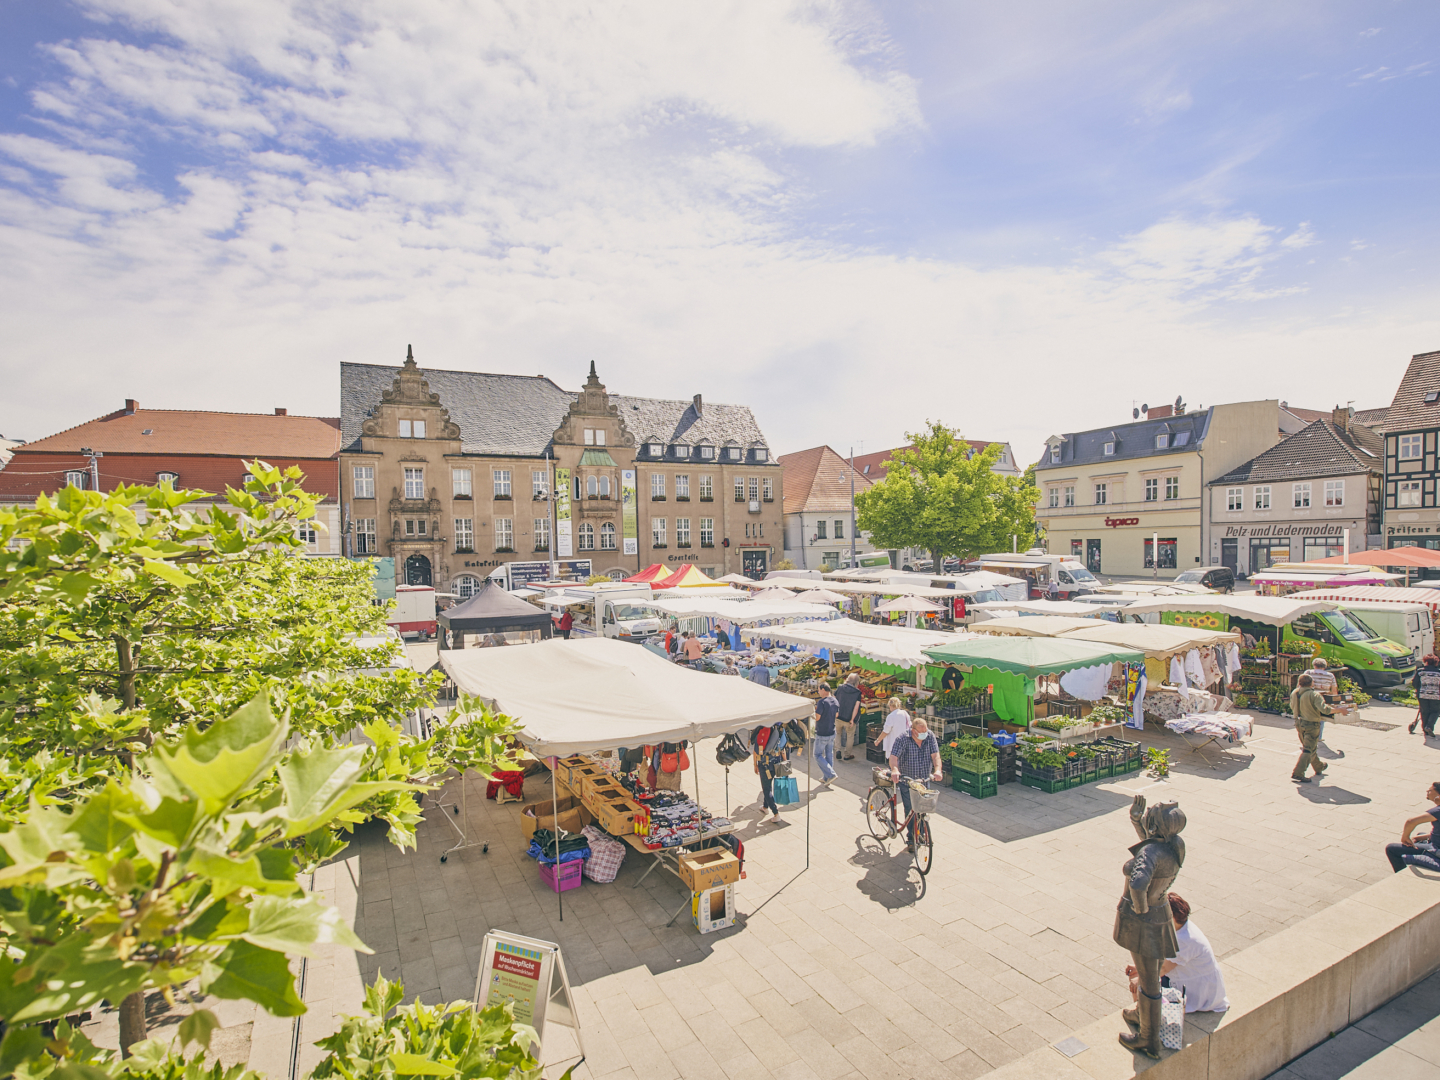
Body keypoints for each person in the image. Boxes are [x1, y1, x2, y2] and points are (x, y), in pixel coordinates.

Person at [1125, 894, 1228, 1015]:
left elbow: (1163, 968)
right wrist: (1139, 969)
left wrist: (1140, 979)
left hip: (1198, 993)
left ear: (1171, 917)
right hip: (1190, 980)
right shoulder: (1180, 927)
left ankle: (1142, 1018)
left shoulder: (1184, 940)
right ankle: (1141, 1014)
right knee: (1138, 977)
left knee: (1141, 986)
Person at [887, 716, 942, 852]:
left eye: (925, 731)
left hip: (923, 781)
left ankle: (921, 835)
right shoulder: (903, 738)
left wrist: (938, 770)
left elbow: (935, 756)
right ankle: (911, 838)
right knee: (910, 809)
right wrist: (895, 770)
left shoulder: (929, 736)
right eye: (920, 732)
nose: (924, 734)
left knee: (923, 808)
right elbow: (893, 757)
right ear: (913, 731)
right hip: (907, 781)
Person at [1289, 673, 1335, 784]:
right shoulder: (1314, 695)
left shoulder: (1294, 693)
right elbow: (1325, 710)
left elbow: (1291, 706)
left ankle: (1319, 767)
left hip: (1299, 723)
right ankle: (1298, 772)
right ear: (1311, 683)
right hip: (1311, 724)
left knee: (1310, 746)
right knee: (1308, 749)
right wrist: (1339, 710)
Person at [1385, 781, 1440, 872]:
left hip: (1436, 850)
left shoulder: (1438, 812)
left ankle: (1401, 875)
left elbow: (1411, 821)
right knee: (1420, 835)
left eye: (1430, 790)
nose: (1427, 791)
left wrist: (1405, 837)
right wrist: (1424, 836)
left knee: (1391, 849)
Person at [754, 726, 789, 824]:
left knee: (766, 789)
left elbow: (755, 751)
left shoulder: (761, 731)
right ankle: (765, 807)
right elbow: (782, 749)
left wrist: (755, 765)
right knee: (768, 785)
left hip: (764, 764)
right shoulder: (778, 731)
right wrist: (785, 761)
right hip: (776, 763)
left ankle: (776, 813)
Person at [813, 685, 839, 785]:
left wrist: (813, 714)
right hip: (831, 731)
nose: (818, 692)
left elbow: (817, 717)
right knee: (829, 754)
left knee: (817, 754)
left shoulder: (822, 702)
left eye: (819, 690)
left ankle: (831, 774)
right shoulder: (835, 701)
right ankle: (826, 778)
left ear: (823, 690)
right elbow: (836, 715)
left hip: (822, 732)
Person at [835, 672, 863, 761]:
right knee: (850, 736)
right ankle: (847, 755)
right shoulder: (857, 692)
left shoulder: (840, 688)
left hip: (838, 716)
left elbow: (833, 699)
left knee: (838, 734)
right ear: (856, 682)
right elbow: (856, 707)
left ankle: (837, 750)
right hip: (848, 718)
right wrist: (852, 719)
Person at [1410, 655, 1440, 737]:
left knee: (1424, 711)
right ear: (1436, 663)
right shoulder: (1439, 672)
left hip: (1422, 695)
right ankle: (1429, 726)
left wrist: (1419, 689)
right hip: (1436, 696)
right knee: (1435, 711)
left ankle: (1425, 730)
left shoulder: (1420, 672)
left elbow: (1415, 683)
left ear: (1426, 662)